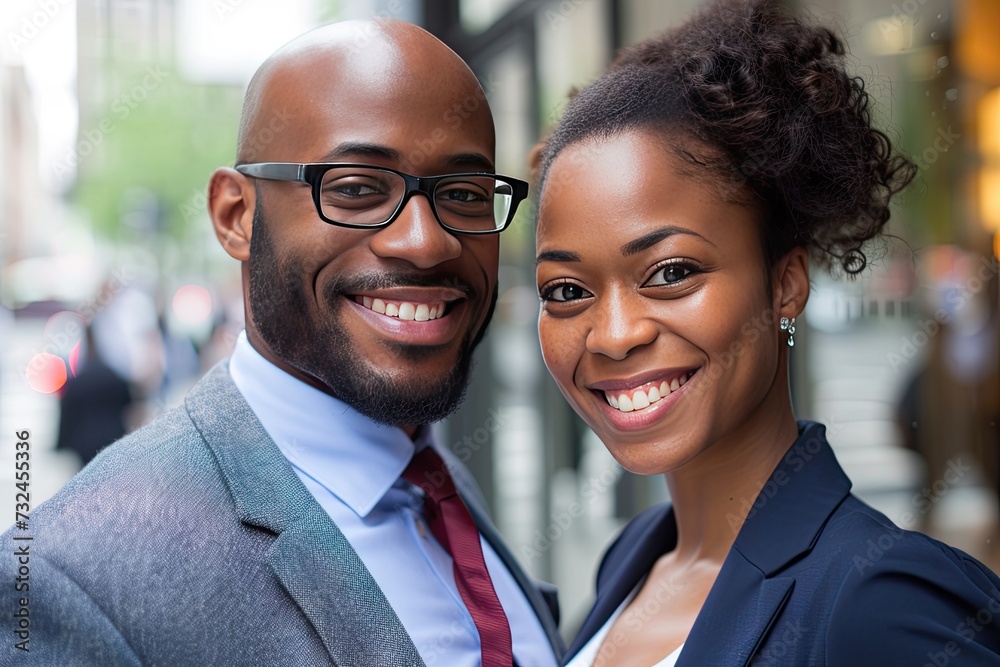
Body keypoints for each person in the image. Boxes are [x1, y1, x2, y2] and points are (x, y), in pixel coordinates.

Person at [1, 20, 562, 665]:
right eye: (355, 188)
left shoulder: (434, 482)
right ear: (236, 217)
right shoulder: (71, 580)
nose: (426, 241)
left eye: (463, 194)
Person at [533, 1, 1000, 665]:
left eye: (670, 272)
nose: (612, 335)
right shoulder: (631, 561)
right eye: (567, 290)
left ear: (786, 282)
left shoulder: (880, 603)